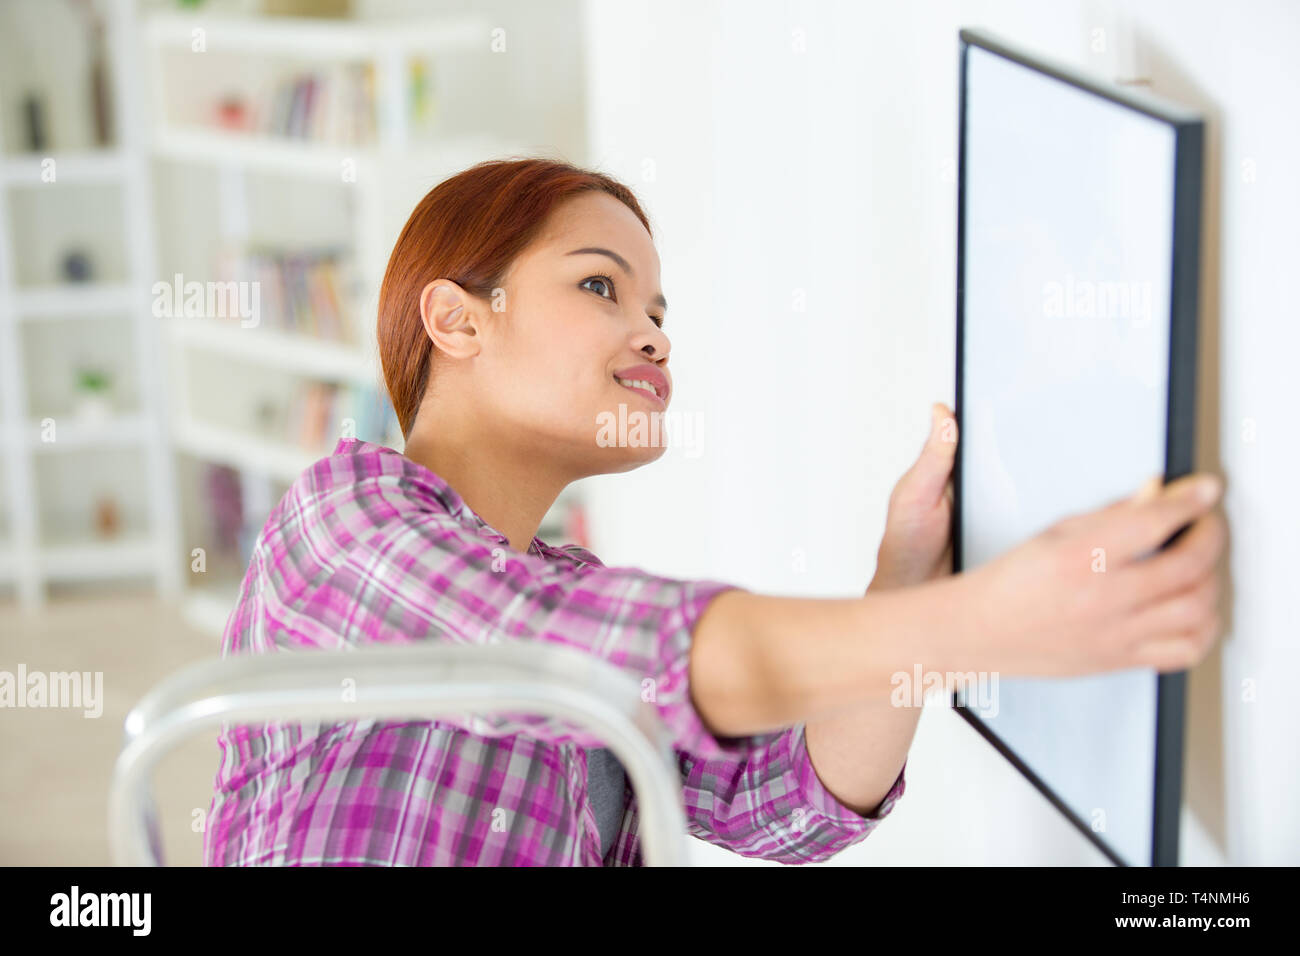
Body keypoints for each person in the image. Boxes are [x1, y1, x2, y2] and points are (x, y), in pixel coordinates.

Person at [202, 157, 1225, 866]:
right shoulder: (343, 518)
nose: (652, 336)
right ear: (458, 318)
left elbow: (791, 800)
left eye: (657, 312)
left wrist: (907, 571)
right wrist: (997, 617)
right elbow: (605, 652)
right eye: (601, 286)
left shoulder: (563, 589)